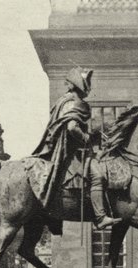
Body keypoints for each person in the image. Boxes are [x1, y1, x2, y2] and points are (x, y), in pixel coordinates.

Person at [31, 67, 122, 229]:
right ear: (76, 84)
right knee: (98, 175)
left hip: (71, 149)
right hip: (72, 153)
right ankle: (101, 217)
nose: (88, 86)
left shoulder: (65, 101)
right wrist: (86, 137)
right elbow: (72, 127)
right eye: (86, 83)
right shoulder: (73, 102)